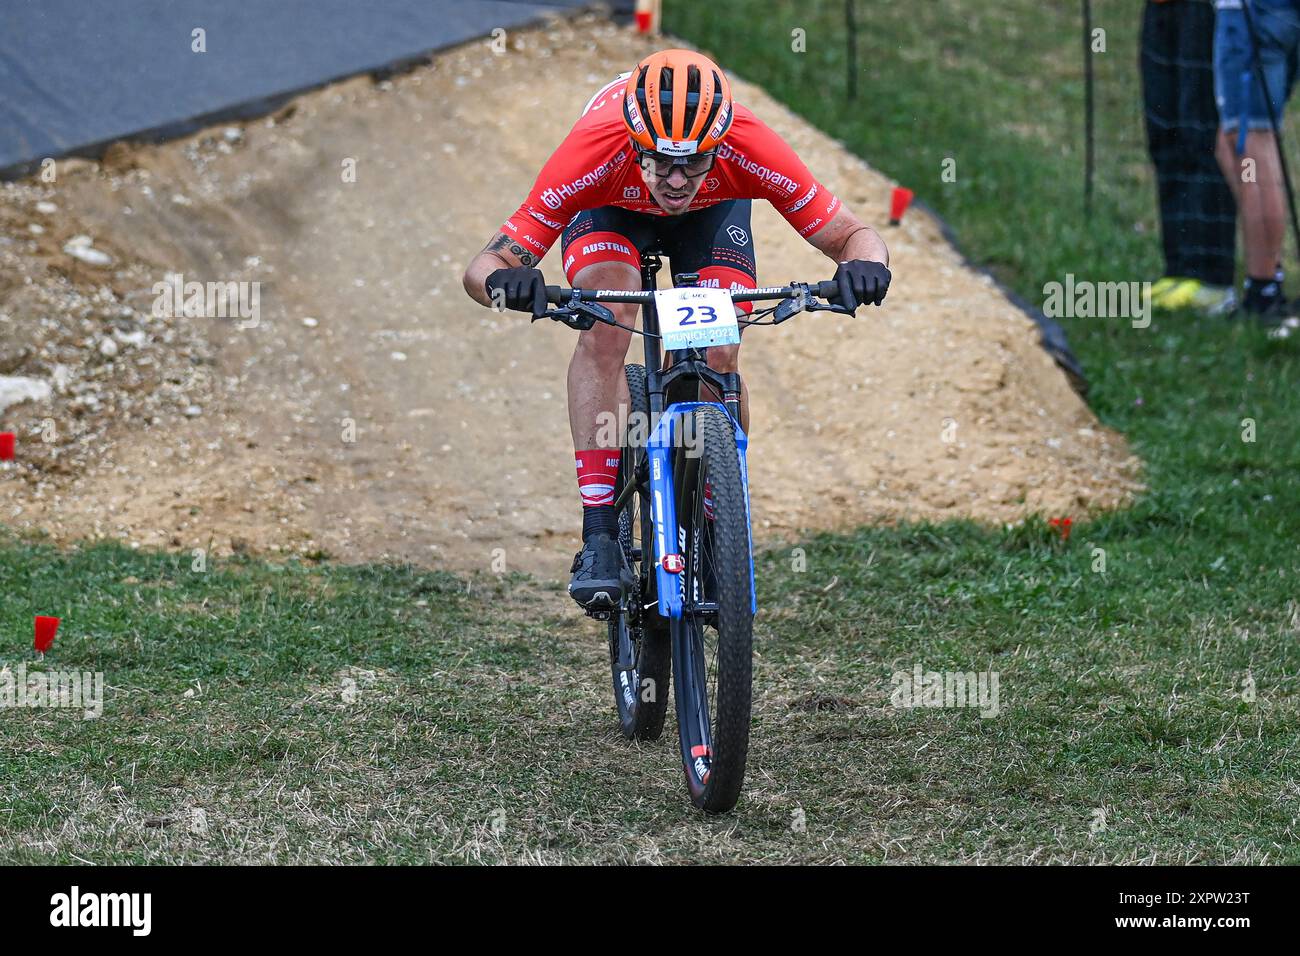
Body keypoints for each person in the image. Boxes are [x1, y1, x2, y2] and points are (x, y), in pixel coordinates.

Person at [462, 49, 891, 610]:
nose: (676, 178)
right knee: (608, 322)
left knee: (717, 346)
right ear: (635, 141)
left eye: (694, 162)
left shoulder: (749, 144)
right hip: (610, 211)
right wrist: (511, 283)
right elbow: (482, 268)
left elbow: (853, 234)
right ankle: (599, 534)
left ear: (720, 144)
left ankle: (717, 525)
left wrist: (865, 268)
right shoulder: (596, 144)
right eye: (661, 161)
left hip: (711, 219)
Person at [1141, 0, 1239, 313]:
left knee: (1201, 134)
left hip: (1206, 9)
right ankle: (1178, 266)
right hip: (1161, 7)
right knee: (1164, 133)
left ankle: (1211, 276)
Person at [1212, 0, 1300, 320]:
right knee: (1231, 142)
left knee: (1250, 147)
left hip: (1253, 13)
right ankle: (1266, 268)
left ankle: (1264, 289)